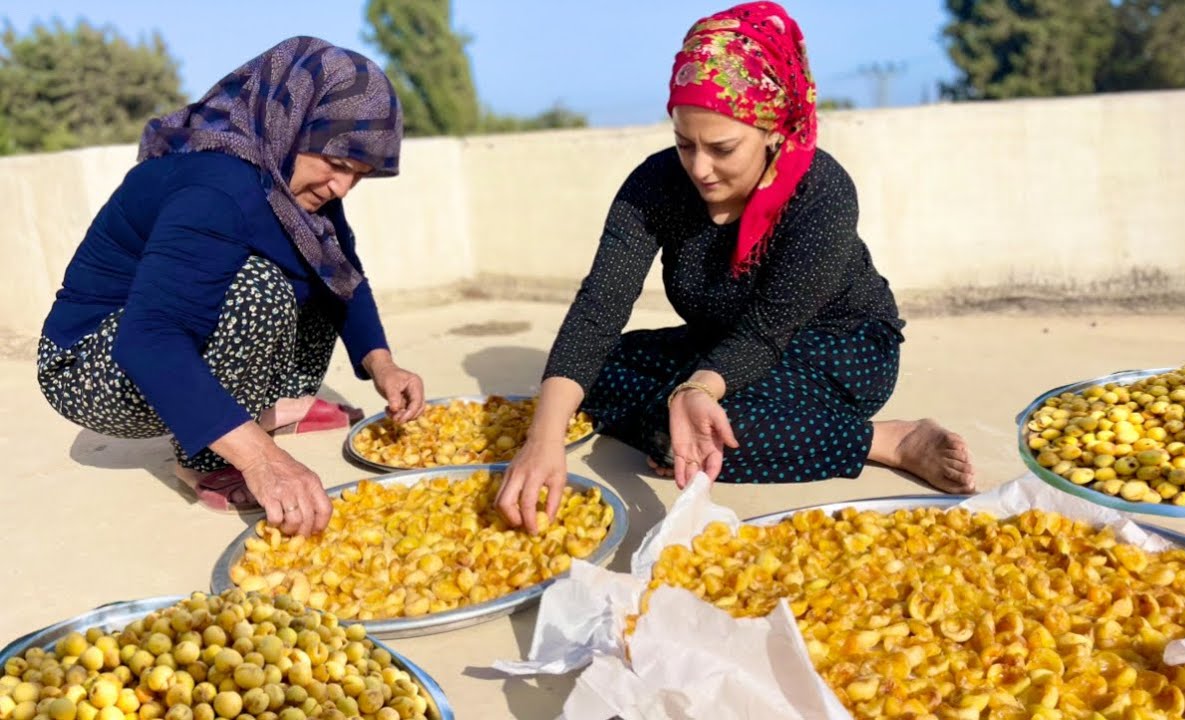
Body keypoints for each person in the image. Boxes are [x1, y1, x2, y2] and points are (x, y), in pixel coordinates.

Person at [497, 2, 975, 530]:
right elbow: (599, 309)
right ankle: (697, 407)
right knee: (589, 375)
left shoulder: (820, 193)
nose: (700, 168)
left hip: (835, 346)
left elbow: (768, 332)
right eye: (684, 144)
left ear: (774, 129)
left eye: (722, 148)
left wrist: (695, 390)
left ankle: (889, 440)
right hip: (720, 343)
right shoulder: (655, 185)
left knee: (672, 427)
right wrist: (543, 440)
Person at [37, 37, 424, 535]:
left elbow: (345, 274)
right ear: (295, 121)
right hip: (89, 366)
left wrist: (383, 364)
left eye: (359, 175)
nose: (342, 188)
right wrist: (263, 460)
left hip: (146, 341)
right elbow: (151, 337)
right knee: (259, 288)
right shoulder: (217, 186)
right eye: (338, 164)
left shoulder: (285, 177)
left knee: (317, 260)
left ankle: (261, 410)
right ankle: (203, 456)